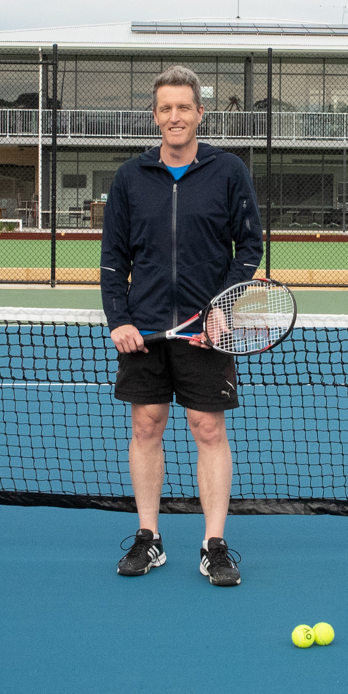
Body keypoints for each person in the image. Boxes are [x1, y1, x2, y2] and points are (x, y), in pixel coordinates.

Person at [103, 66, 264, 586]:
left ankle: (214, 544)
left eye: (184, 107)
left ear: (200, 113)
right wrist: (119, 320)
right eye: (165, 108)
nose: (175, 116)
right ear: (155, 117)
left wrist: (223, 306)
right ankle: (148, 538)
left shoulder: (229, 171)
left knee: (208, 429)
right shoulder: (130, 177)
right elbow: (113, 257)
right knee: (146, 427)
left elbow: (250, 247)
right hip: (143, 332)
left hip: (206, 330)